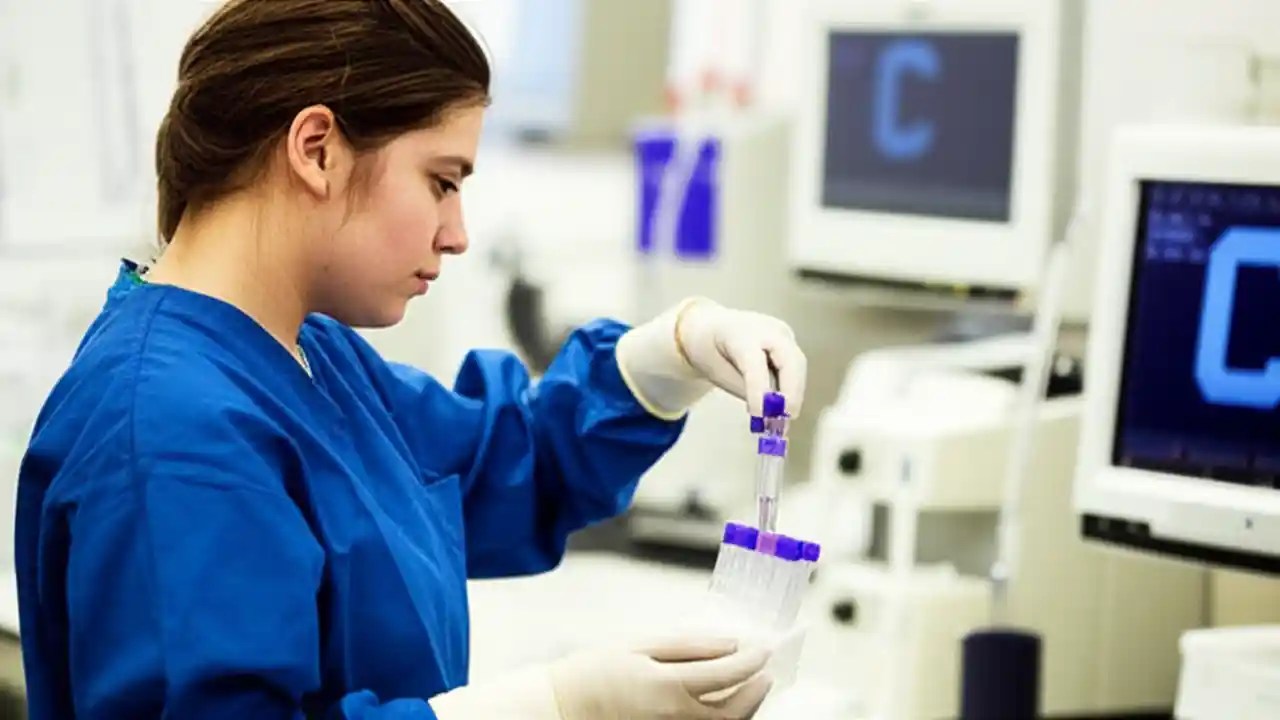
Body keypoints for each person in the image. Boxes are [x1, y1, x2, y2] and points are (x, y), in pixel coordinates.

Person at [13, 1, 808, 718]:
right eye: (441, 181)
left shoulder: (307, 356)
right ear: (317, 148)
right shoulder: (169, 431)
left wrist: (671, 353)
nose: (457, 232)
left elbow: (501, 466)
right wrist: (555, 704)